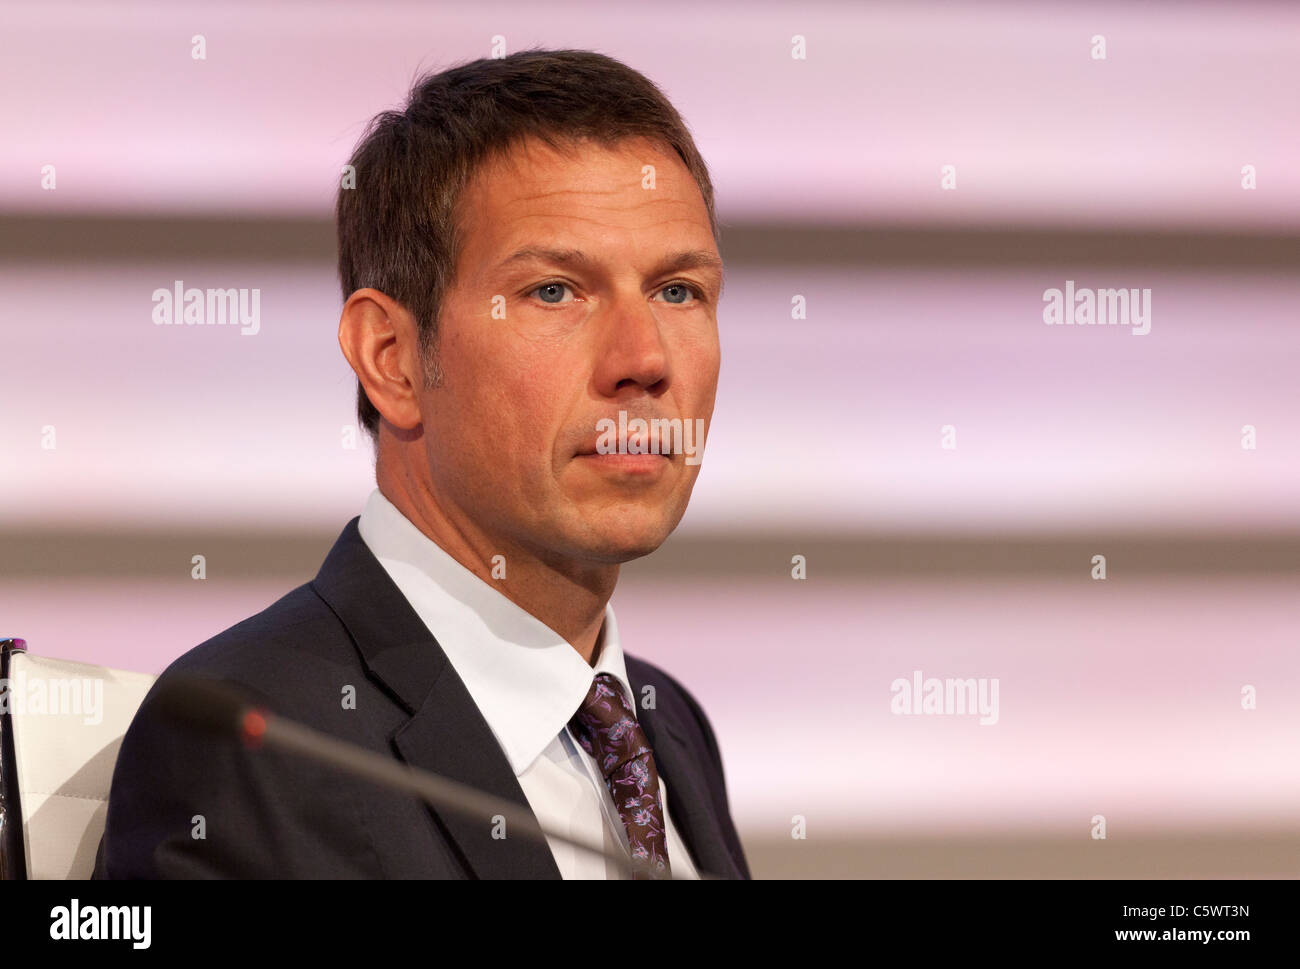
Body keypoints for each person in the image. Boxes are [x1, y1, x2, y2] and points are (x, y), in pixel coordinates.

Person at [93, 47, 749, 879]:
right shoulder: (250, 741)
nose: (643, 358)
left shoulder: (667, 723)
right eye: (554, 290)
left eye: (678, 290)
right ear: (393, 359)